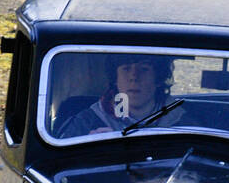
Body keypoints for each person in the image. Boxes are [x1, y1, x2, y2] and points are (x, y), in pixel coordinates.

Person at [57, 54, 188, 138]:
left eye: (144, 69)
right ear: (115, 78)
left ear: (158, 79)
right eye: (126, 69)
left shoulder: (183, 123)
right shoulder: (86, 122)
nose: (134, 77)